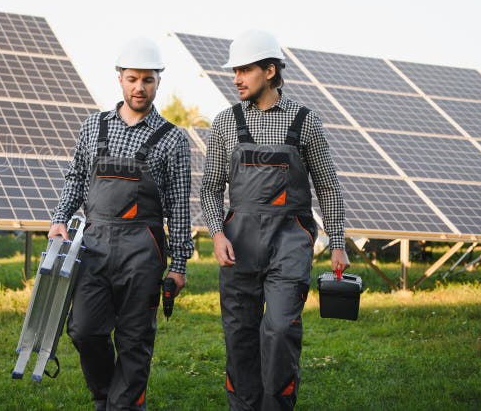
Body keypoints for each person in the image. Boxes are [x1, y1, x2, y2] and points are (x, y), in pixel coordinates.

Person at [201, 29, 350, 410]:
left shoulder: (306, 121)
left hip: (290, 242)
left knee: (281, 330)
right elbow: (210, 189)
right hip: (239, 246)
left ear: (270, 70)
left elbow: (329, 188)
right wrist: (217, 235)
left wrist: (337, 242)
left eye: (245, 70)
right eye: (235, 71)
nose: (236, 79)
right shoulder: (224, 123)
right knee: (240, 337)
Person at [50, 37, 193, 411]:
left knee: (134, 338)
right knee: (83, 330)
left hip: (142, 250)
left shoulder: (173, 139)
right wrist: (59, 219)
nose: (139, 87)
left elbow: (178, 206)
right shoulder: (93, 127)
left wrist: (179, 265)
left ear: (158, 81)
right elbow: (76, 179)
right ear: (119, 79)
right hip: (93, 243)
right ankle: (107, 398)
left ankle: (123, 405)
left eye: (147, 80)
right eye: (132, 79)